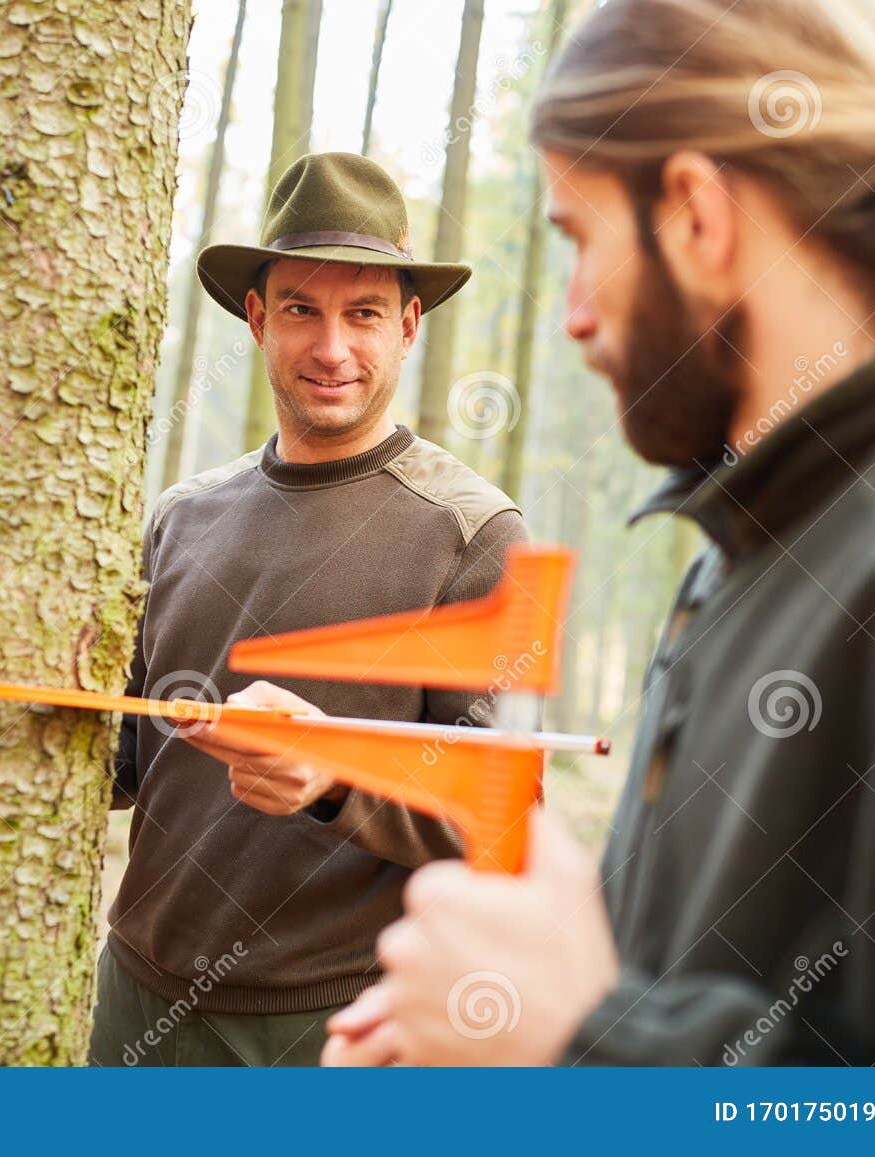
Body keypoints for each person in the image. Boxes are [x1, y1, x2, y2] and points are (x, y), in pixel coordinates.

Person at [322, 0, 875, 1066]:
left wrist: (583, 1039)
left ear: (696, 215)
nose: (573, 313)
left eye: (582, 242)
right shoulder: (751, 548)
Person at [89, 152, 529, 1066]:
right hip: (134, 997)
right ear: (257, 319)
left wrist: (333, 779)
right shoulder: (180, 518)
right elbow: (126, 762)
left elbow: (503, 813)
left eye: (363, 313)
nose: (332, 349)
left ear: (408, 326)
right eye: (301, 310)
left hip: (332, 1023)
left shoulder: (473, 534)